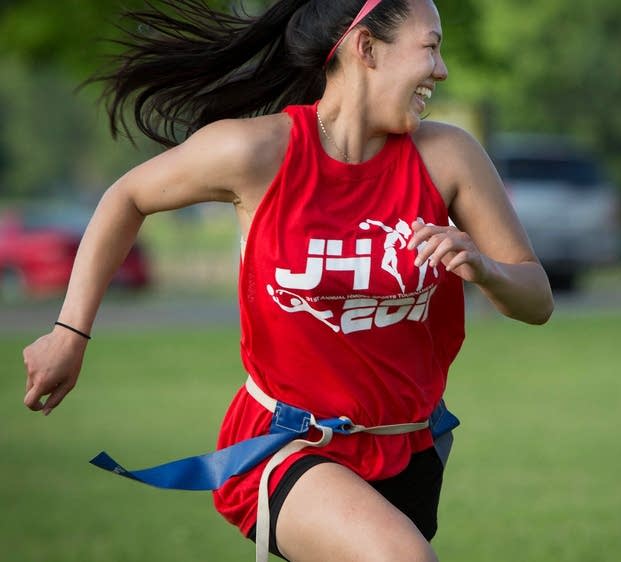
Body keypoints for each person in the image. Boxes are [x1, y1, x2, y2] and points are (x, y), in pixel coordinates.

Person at [21, 0, 554, 561]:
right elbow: (125, 197)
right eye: (430, 46)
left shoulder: (449, 157)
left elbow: (536, 299)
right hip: (286, 444)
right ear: (366, 49)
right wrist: (69, 333)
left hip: (408, 448)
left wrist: (486, 269)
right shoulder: (258, 151)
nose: (442, 69)